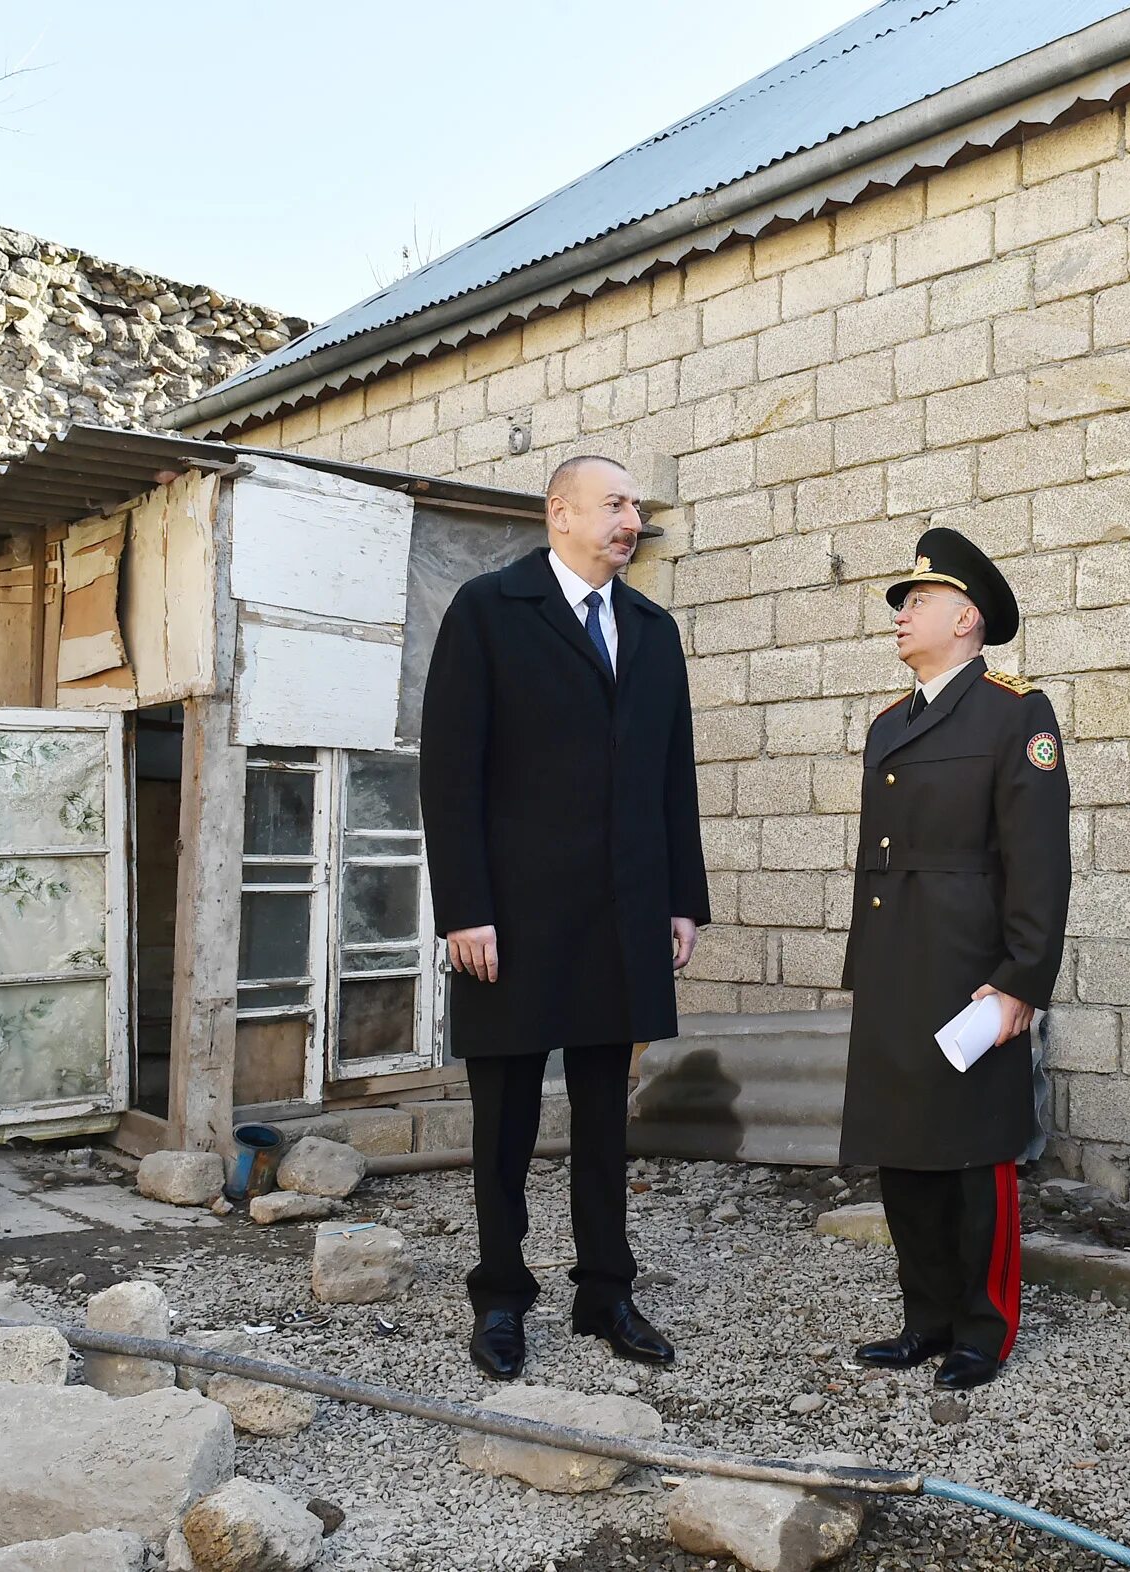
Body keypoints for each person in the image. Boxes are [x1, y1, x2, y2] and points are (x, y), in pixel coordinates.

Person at [419, 453, 711, 1380]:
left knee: (600, 1116)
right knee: (504, 1118)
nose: (631, 519)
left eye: (636, 506)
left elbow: (674, 776)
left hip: (621, 915)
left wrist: (681, 899)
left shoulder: (653, 630)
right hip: (512, 919)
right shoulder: (489, 611)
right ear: (561, 514)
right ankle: (501, 1297)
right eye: (615, 504)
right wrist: (465, 907)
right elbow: (449, 771)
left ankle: (605, 1293)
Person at [841, 526, 1072, 1392]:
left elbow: (1040, 862)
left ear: (966, 618)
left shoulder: (1016, 713)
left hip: (972, 973)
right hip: (898, 968)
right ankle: (924, 1317)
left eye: (918, 601)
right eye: (902, 604)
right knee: (903, 1153)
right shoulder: (887, 725)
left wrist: (1021, 980)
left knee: (975, 1157)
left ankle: (984, 1326)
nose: (901, 616)